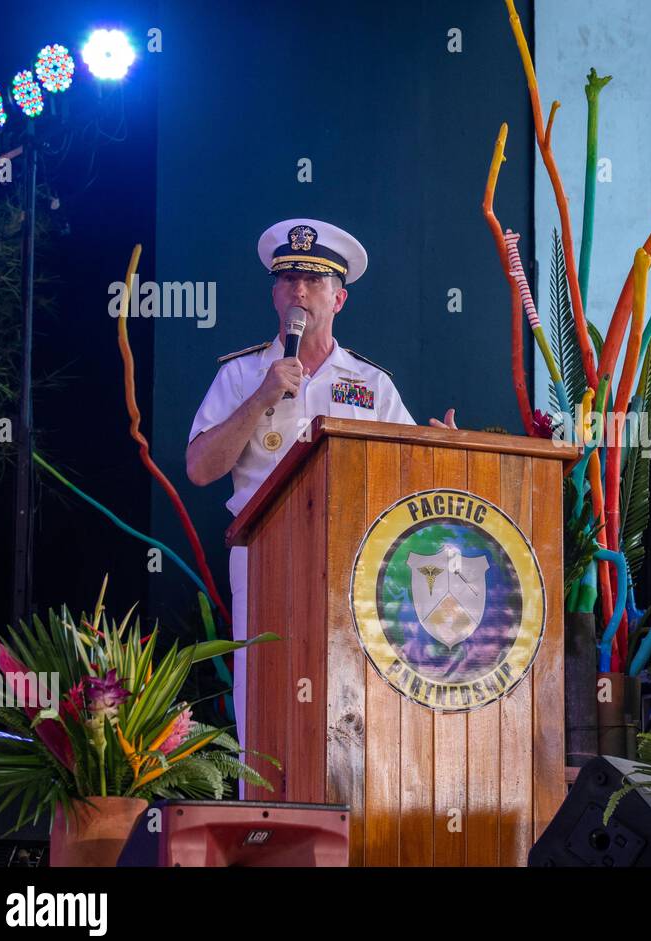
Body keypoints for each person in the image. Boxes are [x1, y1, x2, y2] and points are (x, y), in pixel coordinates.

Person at [186, 218, 455, 753]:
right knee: (264, 691)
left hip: (353, 559)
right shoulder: (241, 375)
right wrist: (263, 396)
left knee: (350, 697)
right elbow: (199, 468)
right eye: (288, 279)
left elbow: (413, 474)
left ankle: (348, 824)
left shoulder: (371, 383)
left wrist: (444, 453)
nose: (299, 291)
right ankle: (263, 817)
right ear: (273, 293)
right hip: (264, 554)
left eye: (313, 280)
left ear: (339, 299)